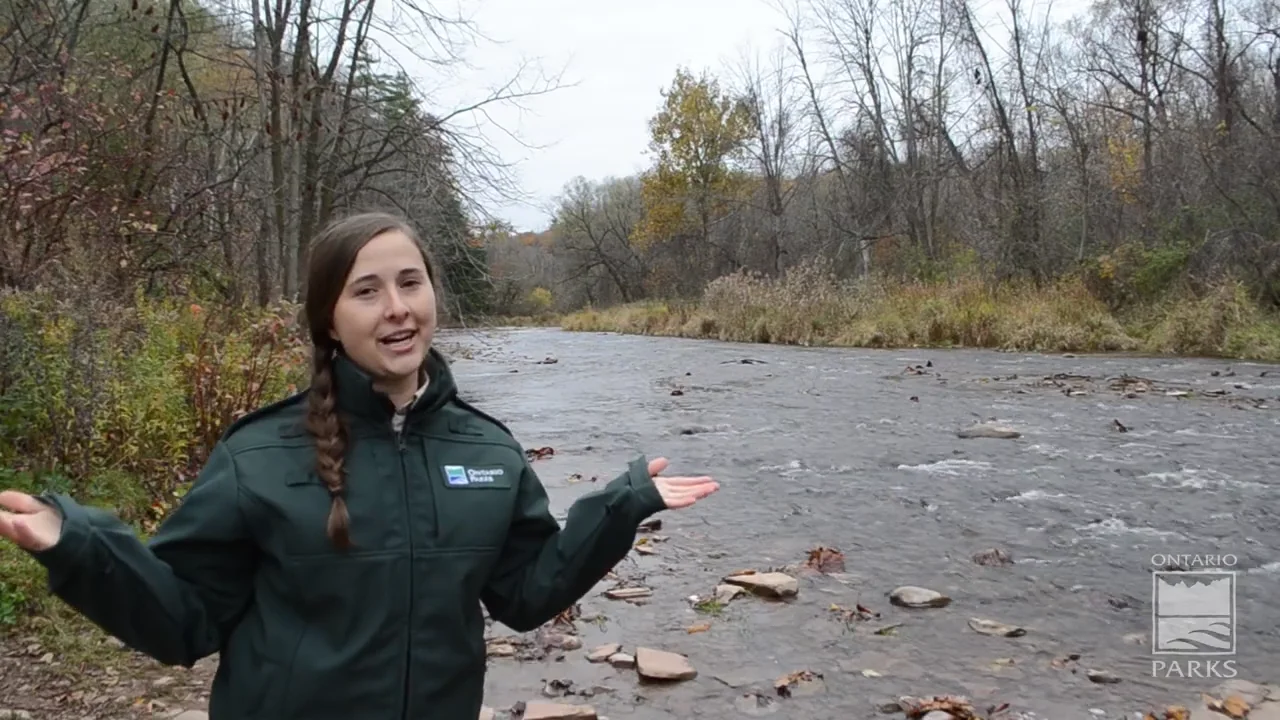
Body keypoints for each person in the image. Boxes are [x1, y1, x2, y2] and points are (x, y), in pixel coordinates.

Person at [0, 211, 720, 720]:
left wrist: (622, 505)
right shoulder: (257, 454)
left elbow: (526, 597)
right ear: (328, 318)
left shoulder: (489, 453)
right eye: (366, 291)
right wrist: (81, 546)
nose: (396, 309)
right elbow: (185, 621)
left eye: (411, 283)